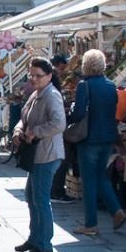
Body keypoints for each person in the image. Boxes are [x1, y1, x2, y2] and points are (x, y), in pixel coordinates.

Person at [68, 49, 126, 236]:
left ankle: (91, 224)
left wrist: (70, 117)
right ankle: (116, 211)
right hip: (108, 138)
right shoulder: (111, 86)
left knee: (89, 181)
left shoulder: (84, 86)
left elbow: (78, 114)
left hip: (89, 138)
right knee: (102, 176)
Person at [12, 58, 65, 252]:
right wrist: (18, 131)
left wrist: (36, 132)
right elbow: (23, 118)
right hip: (36, 155)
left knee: (40, 199)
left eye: (38, 75)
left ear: (49, 76)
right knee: (31, 196)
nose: (34, 79)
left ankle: (44, 244)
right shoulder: (36, 94)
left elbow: (59, 123)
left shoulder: (52, 96)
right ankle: (35, 238)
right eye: (31, 75)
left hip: (47, 154)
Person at [49, 54, 75, 204]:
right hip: (58, 133)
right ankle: (57, 191)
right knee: (61, 160)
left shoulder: (48, 93)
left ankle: (55, 190)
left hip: (54, 135)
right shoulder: (52, 93)